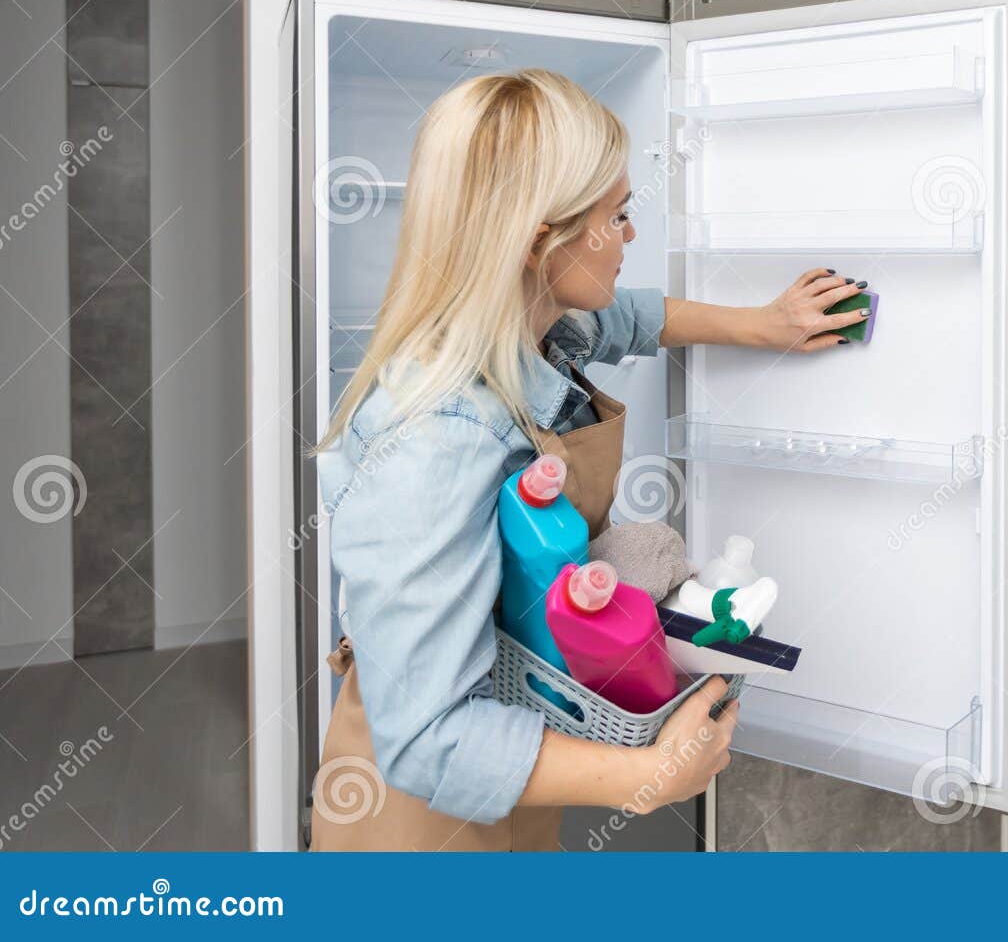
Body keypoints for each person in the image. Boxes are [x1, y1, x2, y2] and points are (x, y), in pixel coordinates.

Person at [308, 69, 872, 850]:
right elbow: (426, 741)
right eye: (619, 214)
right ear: (542, 240)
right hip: (416, 811)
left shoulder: (537, 329)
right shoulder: (435, 439)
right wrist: (646, 778)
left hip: (509, 740)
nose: (631, 234)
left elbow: (638, 316)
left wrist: (765, 324)